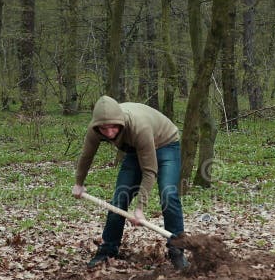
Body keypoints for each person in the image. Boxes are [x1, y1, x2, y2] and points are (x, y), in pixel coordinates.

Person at [72, 95, 189, 270]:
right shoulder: (95, 129)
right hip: (135, 149)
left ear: (121, 122)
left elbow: (150, 171)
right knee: (120, 199)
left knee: (168, 193)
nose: (109, 133)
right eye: (104, 129)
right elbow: (86, 156)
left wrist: (140, 208)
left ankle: (177, 249)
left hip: (166, 144)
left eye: (113, 127)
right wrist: (79, 183)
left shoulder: (138, 127)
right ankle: (108, 249)